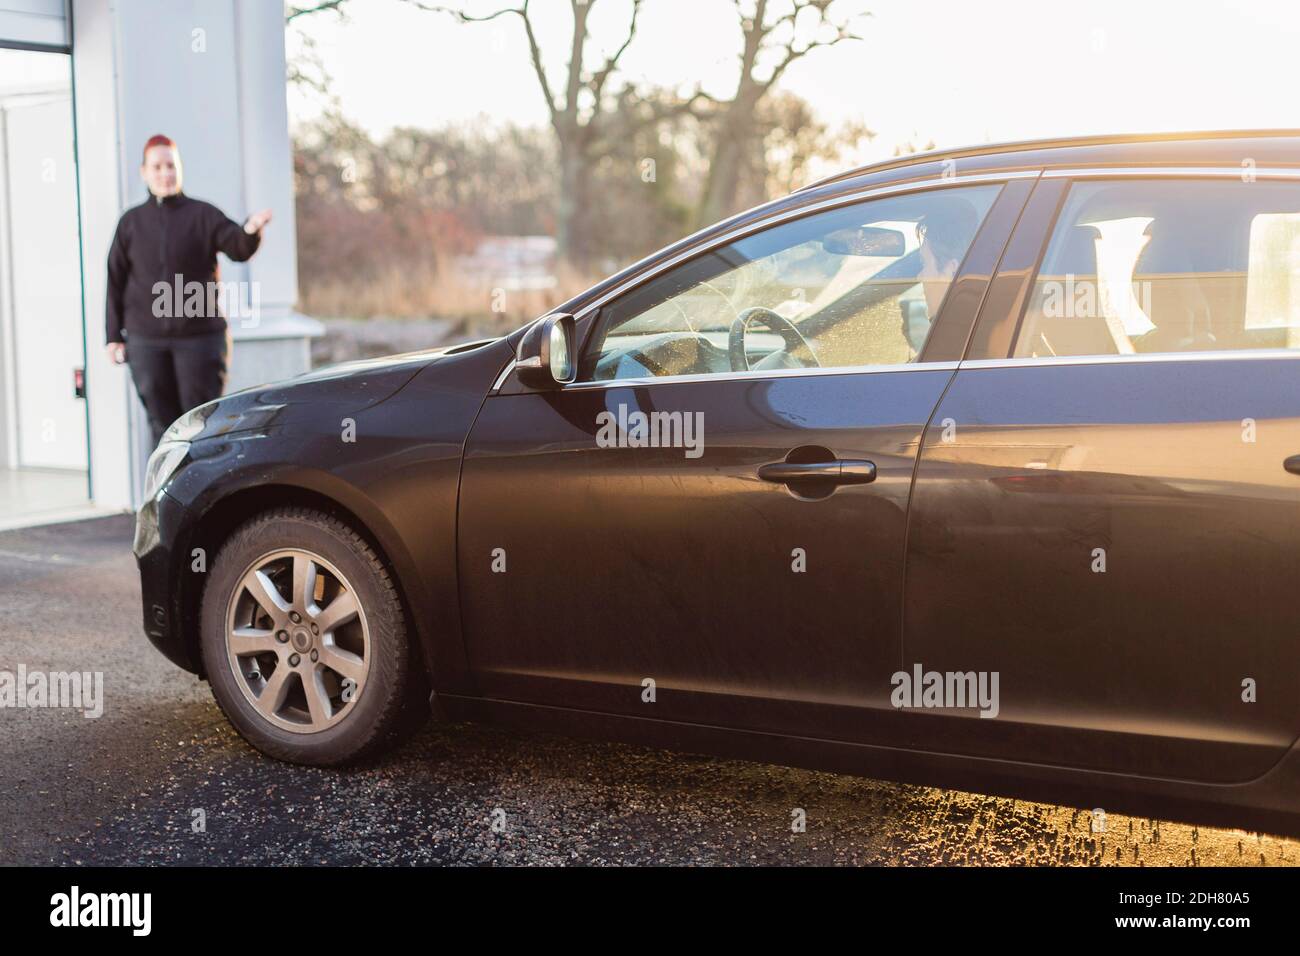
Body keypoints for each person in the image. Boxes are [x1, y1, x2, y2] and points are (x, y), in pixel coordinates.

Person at [105, 134, 272, 445]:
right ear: (144, 172)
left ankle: (204, 494)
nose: (165, 173)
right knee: (162, 429)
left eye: (171, 165)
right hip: (147, 344)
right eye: (157, 167)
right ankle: (167, 494)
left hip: (200, 341)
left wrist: (250, 230)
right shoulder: (131, 223)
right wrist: (114, 336)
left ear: (179, 168)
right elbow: (115, 278)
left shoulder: (203, 215)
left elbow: (237, 245)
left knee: (201, 427)